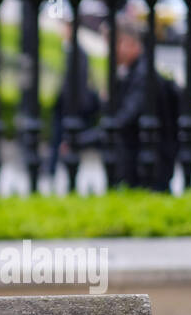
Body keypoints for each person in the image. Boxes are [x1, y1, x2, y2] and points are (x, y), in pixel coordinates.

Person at [71, 12, 179, 191]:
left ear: (130, 43)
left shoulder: (143, 76)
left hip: (147, 168)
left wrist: (82, 140)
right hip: (137, 165)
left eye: (113, 44)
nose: (110, 52)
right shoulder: (129, 72)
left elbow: (124, 119)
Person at [46, 14, 100, 178]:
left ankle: (59, 169)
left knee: (67, 139)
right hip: (65, 104)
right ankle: (52, 168)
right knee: (59, 139)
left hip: (70, 107)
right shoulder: (72, 50)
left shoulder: (78, 53)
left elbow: (78, 84)